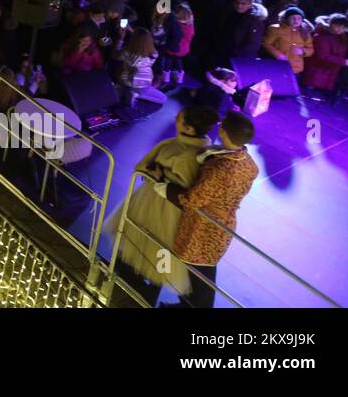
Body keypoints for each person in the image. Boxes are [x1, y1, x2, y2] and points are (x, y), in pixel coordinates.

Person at [104, 105, 219, 306]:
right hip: (159, 205)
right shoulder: (199, 151)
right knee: (153, 256)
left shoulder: (184, 154)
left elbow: (179, 183)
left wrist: (159, 176)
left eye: (179, 119)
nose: (175, 120)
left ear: (190, 129)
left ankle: (138, 295)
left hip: (160, 208)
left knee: (143, 249)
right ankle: (144, 294)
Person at [158, 111, 259, 308]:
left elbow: (191, 199)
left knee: (199, 276)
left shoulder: (219, 169)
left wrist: (161, 185)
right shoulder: (249, 164)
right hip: (224, 226)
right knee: (203, 272)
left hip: (203, 228)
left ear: (222, 131)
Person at [303, 14, 348, 95]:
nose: (340, 29)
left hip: (328, 75)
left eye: (343, 27)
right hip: (315, 74)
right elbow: (323, 56)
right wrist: (343, 61)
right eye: (337, 26)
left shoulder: (342, 36)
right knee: (310, 95)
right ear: (330, 24)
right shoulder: (322, 35)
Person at [262, 6, 314, 77]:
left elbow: (310, 49)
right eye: (293, 18)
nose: (296, 20)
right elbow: (267, 44)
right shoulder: (275, 29)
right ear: (287, 18)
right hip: (277, 64)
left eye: (299, 18)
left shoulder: (304, 31)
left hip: (295, 67)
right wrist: (278, 55)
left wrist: (303, 51)